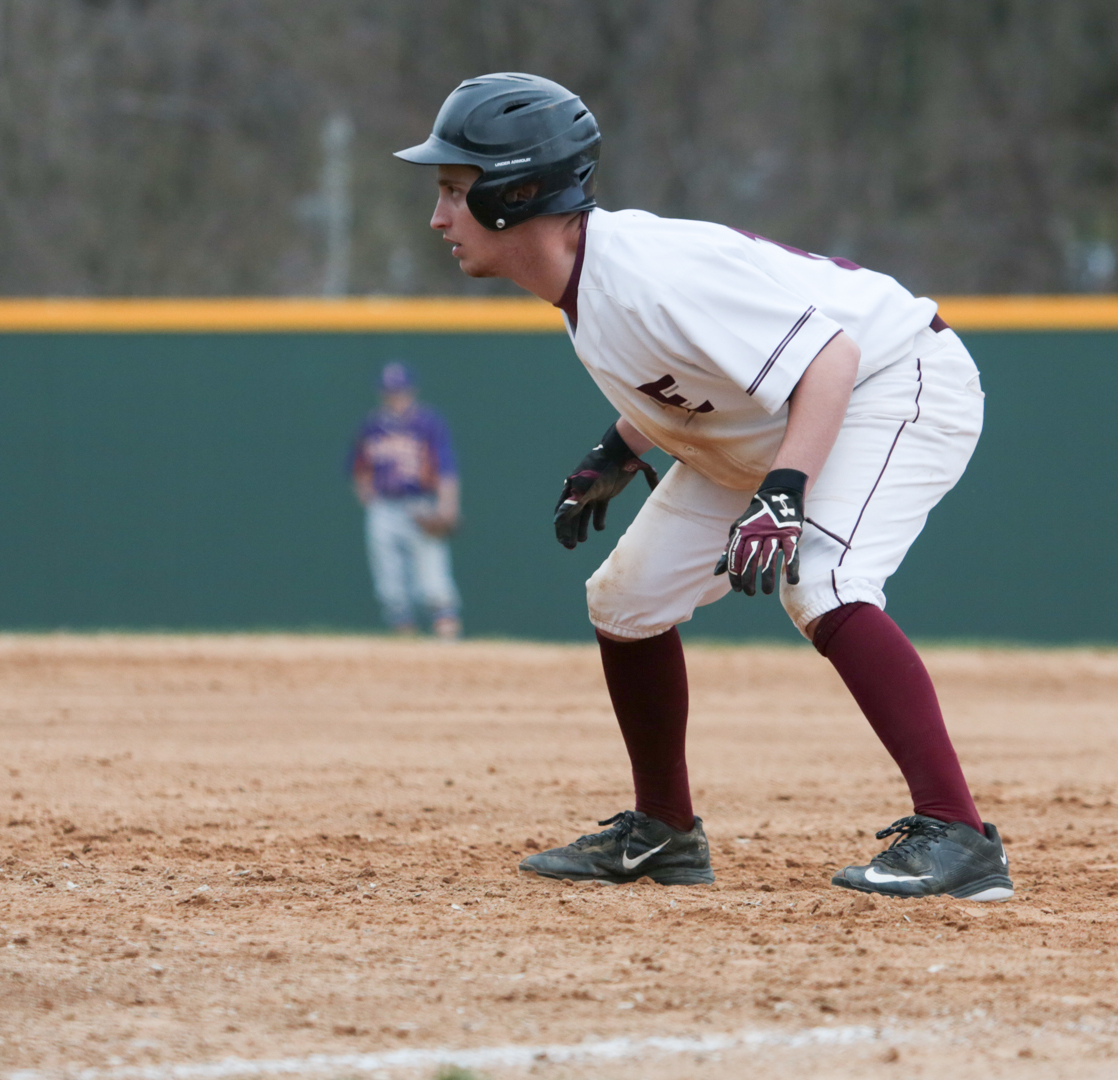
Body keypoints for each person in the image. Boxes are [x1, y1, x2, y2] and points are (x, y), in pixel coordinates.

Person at [395, 73, 1011, 901]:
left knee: (823, 580)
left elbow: (830, 360)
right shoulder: (587, 281)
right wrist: (614, 451)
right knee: (626, 598)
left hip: (893, 381)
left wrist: (785, 491)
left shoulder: (645, 270)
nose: (439, 217)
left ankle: (961, 834)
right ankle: (665, 834)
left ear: (518, 193)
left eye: (455, 191)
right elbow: (695, 377)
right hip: (789, 411)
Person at [348, 361, 462, 640]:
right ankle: (404, 640)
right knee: (390, 581)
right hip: (384, 506)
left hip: (419, 503)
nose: (395, 398)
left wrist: (447, 506)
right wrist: (368, 498)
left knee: (432, 577)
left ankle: (448, 640)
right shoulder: (373, 425)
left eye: (400, 392)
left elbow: (446, 468)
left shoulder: (427, 423)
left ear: (411, 391)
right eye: (390, 392)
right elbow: (358, 466)